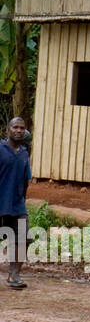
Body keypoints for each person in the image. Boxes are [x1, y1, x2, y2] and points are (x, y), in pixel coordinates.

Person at [0, 117, 32, 289]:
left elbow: (25, 180)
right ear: (8, 129)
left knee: (23, 238)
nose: (19, 130)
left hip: (17, 205)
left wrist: (22, 200)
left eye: (22, 128)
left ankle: (14, 276)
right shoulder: (1, 150)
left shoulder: (24, 153)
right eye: (15, 127)